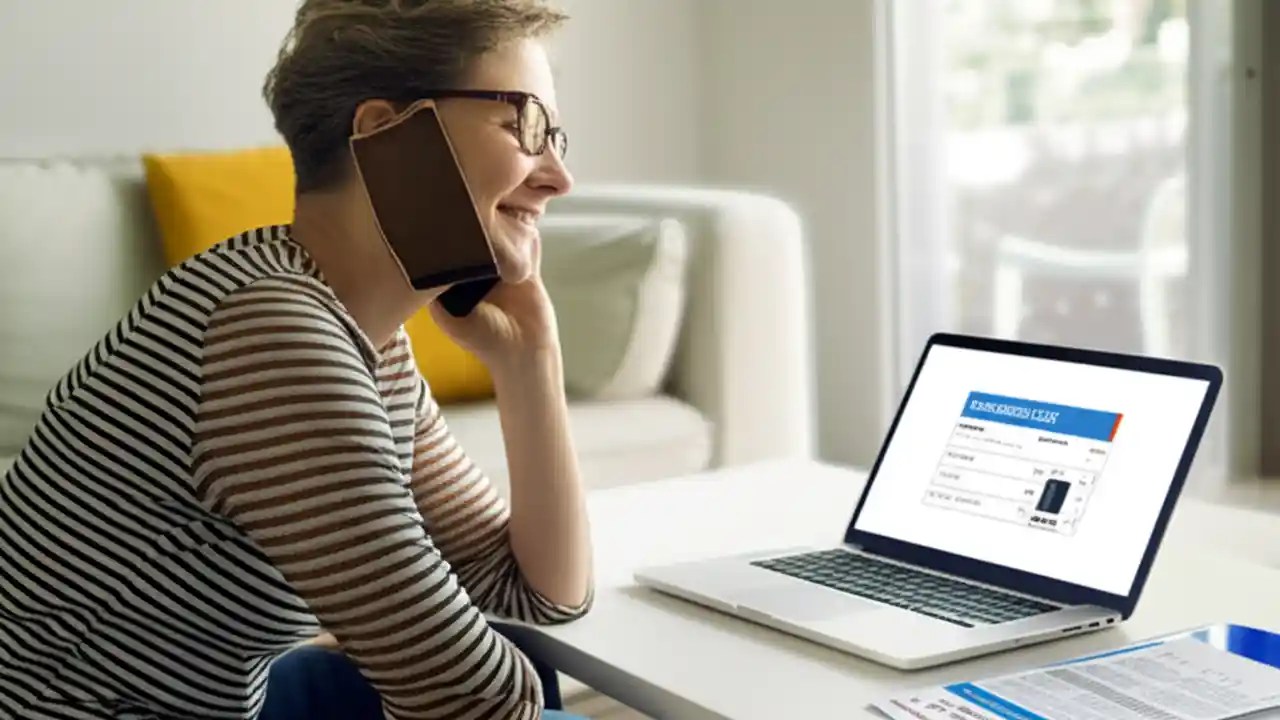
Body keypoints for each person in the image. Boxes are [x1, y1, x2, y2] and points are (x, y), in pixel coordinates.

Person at [0, 0, 594, 717]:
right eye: (524, 125)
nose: (558, 176)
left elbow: (534, 594)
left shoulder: (365, 338)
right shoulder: (270, 333)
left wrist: (531, 357)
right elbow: (468, 700)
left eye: (554, 136)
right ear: (385, 130)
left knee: (524, 660)